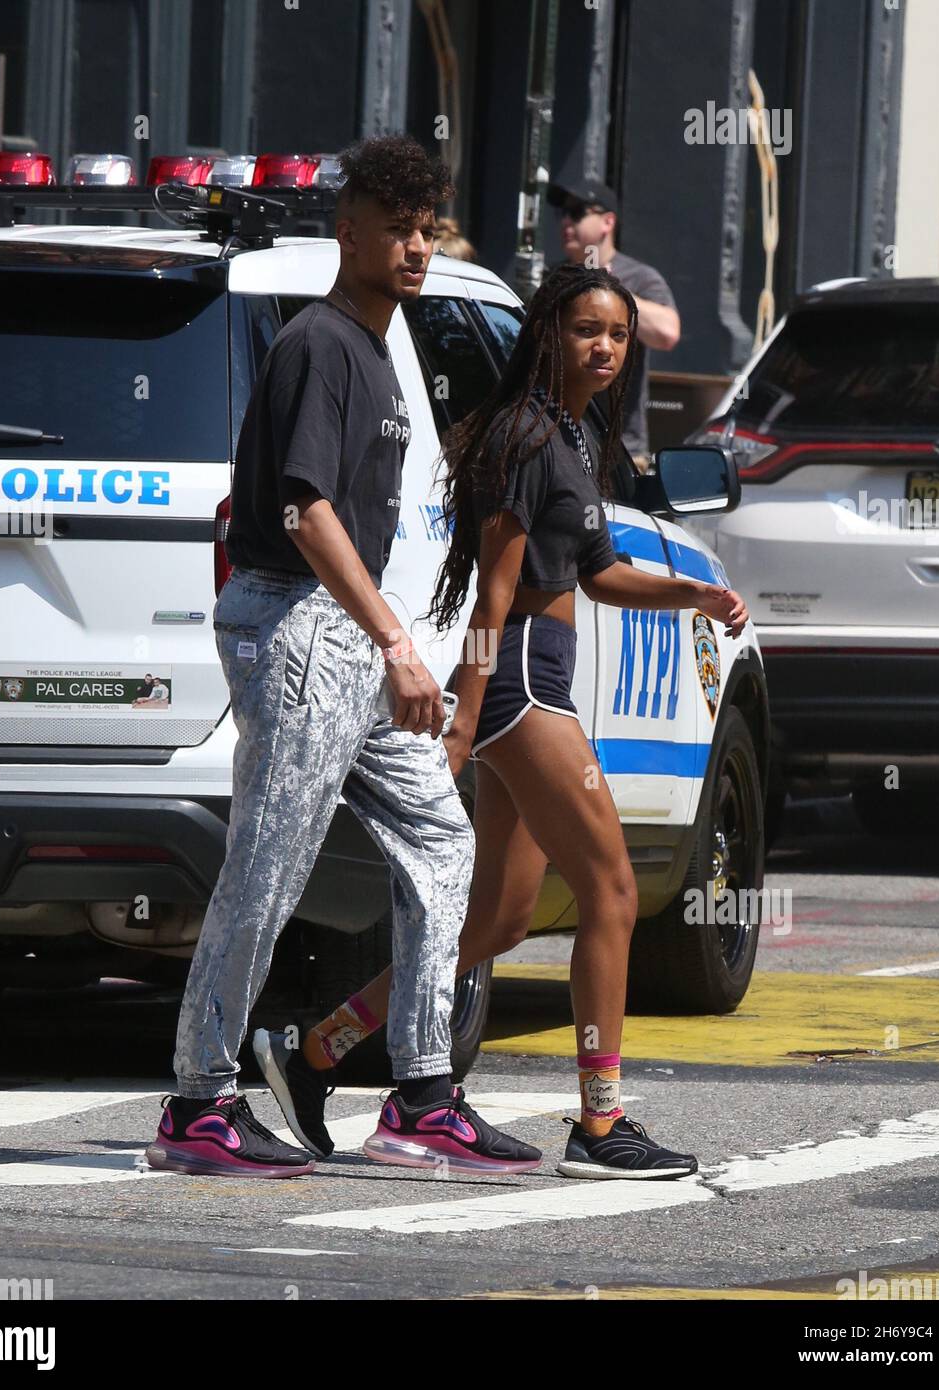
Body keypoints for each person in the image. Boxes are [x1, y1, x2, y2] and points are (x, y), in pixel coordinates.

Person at [261, 261, 748, 1179]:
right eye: (584, 331)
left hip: (534, 688)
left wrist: (688, 590)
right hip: (519, 685)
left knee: (495, 920)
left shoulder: (569, 433)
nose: (604, 348)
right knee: (609, 892)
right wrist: (465, 722)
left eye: (616, 335)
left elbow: (597, 572)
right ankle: (600, 1126)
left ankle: (315, 1050)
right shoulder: (524, 438)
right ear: (546, 336)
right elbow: (491, 600)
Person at [145, 135, 539, 1180]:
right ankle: (197, 1105)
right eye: (396, 228)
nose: (413, 247)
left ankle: (419, 1096)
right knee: (268, 864)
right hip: (300, 628)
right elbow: (304, 510)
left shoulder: (377, 348)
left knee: (441, 840)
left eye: (426, 229)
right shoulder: (319, 343)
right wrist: (399, 644)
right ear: (347, 230)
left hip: (346, 639)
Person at [547, 177, 680, 473]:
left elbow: (667, 334)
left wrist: (612, 291)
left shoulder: (640, 278)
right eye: (563, 213)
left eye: (578, 212)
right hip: (554, 438)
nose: (567, 221)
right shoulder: (552, 277)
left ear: (607, 222)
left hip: (619, 451)